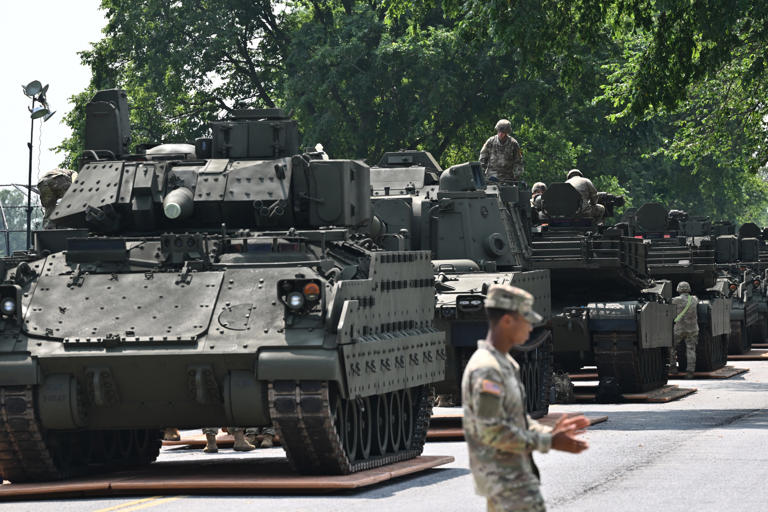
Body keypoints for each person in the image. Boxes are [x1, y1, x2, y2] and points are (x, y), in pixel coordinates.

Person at [462, 284, 589, 512]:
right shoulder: (487, 370)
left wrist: (549, 433)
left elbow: (516, 419)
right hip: (504, 481)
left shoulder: (505, 363)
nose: (532, 327)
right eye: (527, 319)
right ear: (507, 321)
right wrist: (549, 441)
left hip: (515, 476)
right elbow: (493, 431)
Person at [479, 119, 524, 184]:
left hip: (508, 179)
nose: (500, 134)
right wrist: (481, 175)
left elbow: (518, 162)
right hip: (491, 178)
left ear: (507, 133)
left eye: (503, 132)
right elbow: (482, 159)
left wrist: (516, 177)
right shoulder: (490, 142)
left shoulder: (513, 143)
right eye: (499, 131)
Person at [670, 281, 699, 379]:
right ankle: (690, 371)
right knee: (691, 349)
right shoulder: (694, 299)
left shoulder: (675, 300)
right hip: (692, 329)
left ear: (678, 289)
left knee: (672, 347)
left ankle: (673, 368)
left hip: (679, 328)